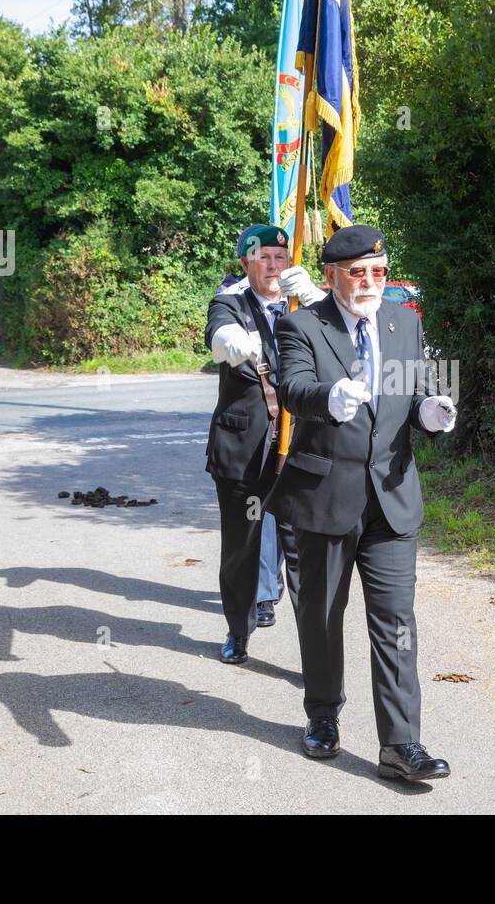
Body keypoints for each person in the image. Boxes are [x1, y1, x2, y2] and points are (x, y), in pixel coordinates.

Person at [269, 224, 458, 782]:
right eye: (359, 273)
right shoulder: (302, 324)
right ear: (332, 277)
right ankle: (323, 715)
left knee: (397, 622)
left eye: (379, 272)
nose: (371, 282)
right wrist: (329, 397)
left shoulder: (404, 324)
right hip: (326, 495)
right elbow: (292, 388)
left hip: (392, 499)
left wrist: (430, 413)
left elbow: (417, 390)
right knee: (323, 615)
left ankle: (401, 745)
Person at [204, 224, 303, 664]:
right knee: (241, 549)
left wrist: (319, 300)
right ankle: (238, 630)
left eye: (280, 258)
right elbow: (218, 335)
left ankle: (316, 655)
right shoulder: (231, 302)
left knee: (306, 556)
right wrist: (230, 343)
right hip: (245, 450)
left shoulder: (304, 307)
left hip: (301, 449)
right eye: (264, 257)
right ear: (246, 261)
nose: (273, 266)